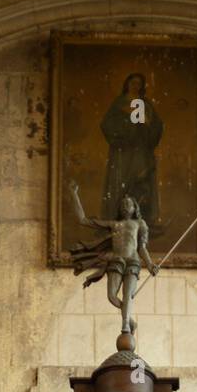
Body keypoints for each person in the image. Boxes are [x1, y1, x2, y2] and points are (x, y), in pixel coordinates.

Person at [68, 181, 158, 340]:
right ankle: (130, 319)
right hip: (116, 261)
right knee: (111, 296)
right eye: (122, 204)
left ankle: (125, 325)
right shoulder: (114, 224)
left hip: (132, 262)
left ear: (134, 207)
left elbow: (142, 248)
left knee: (128, 295)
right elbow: (83, 220)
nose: (125, 206)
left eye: (128, 204)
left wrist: (150, 264)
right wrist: (74, 194)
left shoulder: (139, 224)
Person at [100, 73, 163, 224]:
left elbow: (157, 126)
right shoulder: (119, 103)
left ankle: (142, 219)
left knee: (141, 179)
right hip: (123, 151)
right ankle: (117, 219)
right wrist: (125, 127)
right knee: (121, 181)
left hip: (141, 150)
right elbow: (106, 124)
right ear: (127, 84)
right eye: (133, 83)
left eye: (139, 83)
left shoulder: (144, 104)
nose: (135, 86)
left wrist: (147, 124)